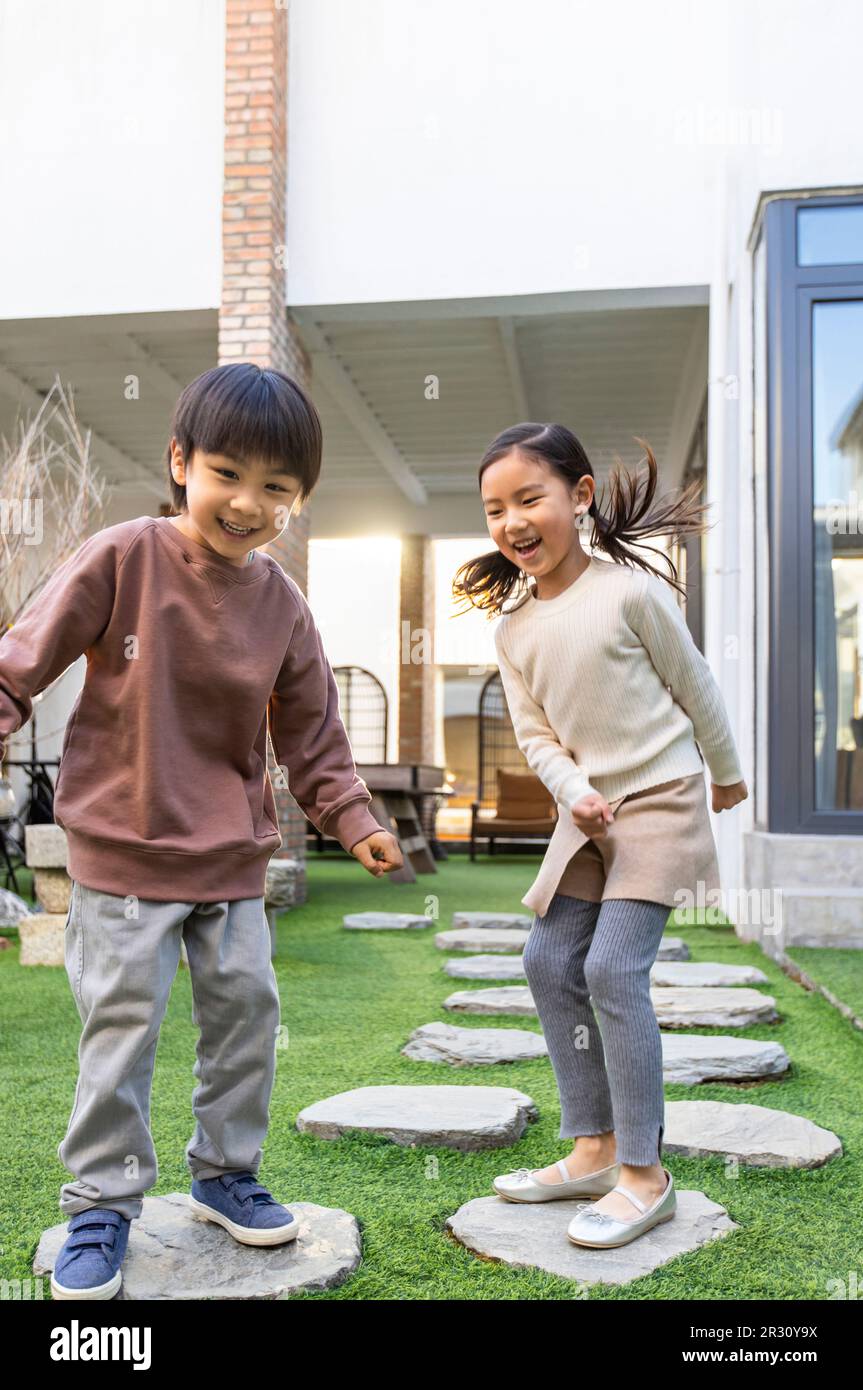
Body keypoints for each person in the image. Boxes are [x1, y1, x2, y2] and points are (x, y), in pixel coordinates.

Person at [0, 363, 403, 1298]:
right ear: (181, 461)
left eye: (276, 487)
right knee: (121, 1032)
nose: (247, 503)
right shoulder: (123, 557)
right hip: (122, 854)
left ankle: (225, 1174)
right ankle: (102, 1204)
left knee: (247, 1019)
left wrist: (353, 820)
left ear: (297, 498)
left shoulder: (282, 606)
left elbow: (314, 738)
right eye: (227, 474)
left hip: (229, 860)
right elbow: (21, 660)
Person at [452, 422, 747, 1250]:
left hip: (659, 799)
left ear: (578, 496)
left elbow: (696, 687)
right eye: (494, 509)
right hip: (586, 813)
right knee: (547, 961)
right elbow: (536, 735)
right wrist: (573, 792)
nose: (512, 522)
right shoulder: (512, 629)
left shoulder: (629, 595)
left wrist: (725, 774)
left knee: (612, 968)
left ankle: (644, 1176)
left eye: (529, 499)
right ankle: (594, 1148)